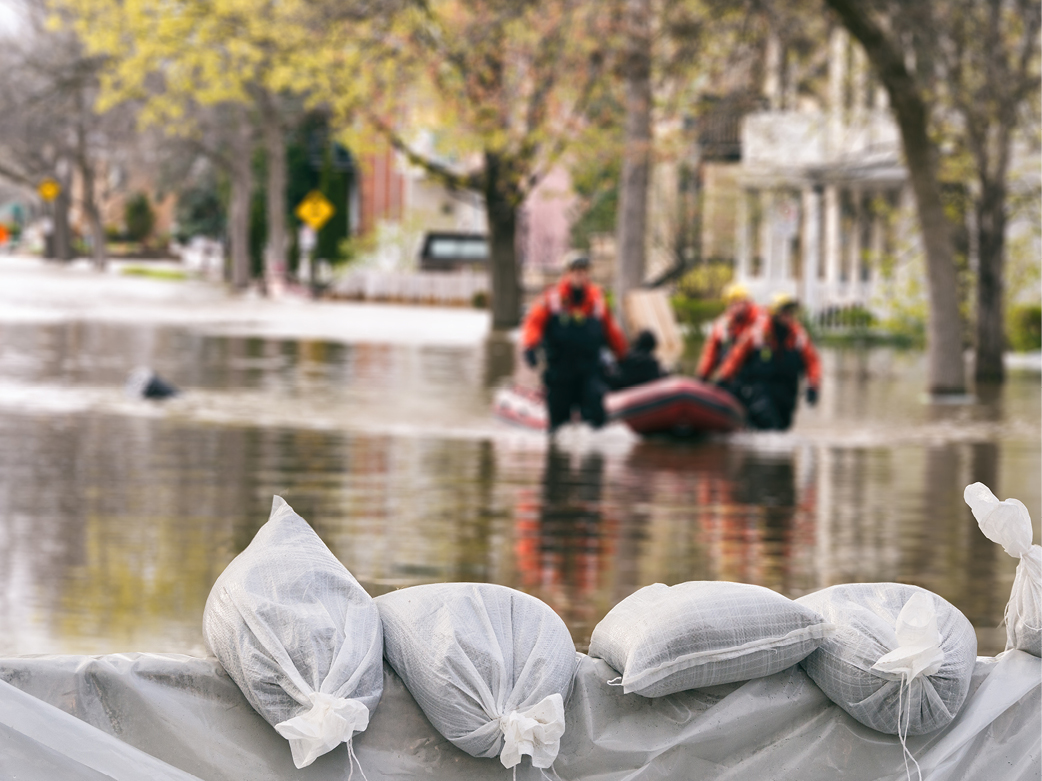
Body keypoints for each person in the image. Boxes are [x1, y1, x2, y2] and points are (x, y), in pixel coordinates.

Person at [521, 256, 628, 434]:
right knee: (558, 422)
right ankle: (557, 456)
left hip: (589, 368)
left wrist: (623, 355)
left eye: (584, 272)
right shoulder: (552, 298)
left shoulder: (597, 300)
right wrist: (530, 346)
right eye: (576, 272)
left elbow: (611, 330)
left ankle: (594, 455)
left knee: (595, 414)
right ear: (567, 274)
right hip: (560, 369)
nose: (580, 276)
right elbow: (534, 322)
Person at [713, 292, 820, 431]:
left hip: (788, 389)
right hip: (761, 387)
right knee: (767, 420)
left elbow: (812, 361)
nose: (788, 316)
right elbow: (736, 356)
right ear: (775, 313)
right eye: (785, 312)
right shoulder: (758, 332)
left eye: (790, 312)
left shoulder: (798, 335)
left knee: (783, 426)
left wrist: (813, 385)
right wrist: (724, 378)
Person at [696, 282, 762, 382]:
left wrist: (724, 376)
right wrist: (702, 376)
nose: (734, 306)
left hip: (752, 375)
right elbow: (710, 350)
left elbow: (741, 348)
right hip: (731, 376)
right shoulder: (723, 322)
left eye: (737, 302)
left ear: (747, 302)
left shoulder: (758, 320)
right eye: (731, 303)